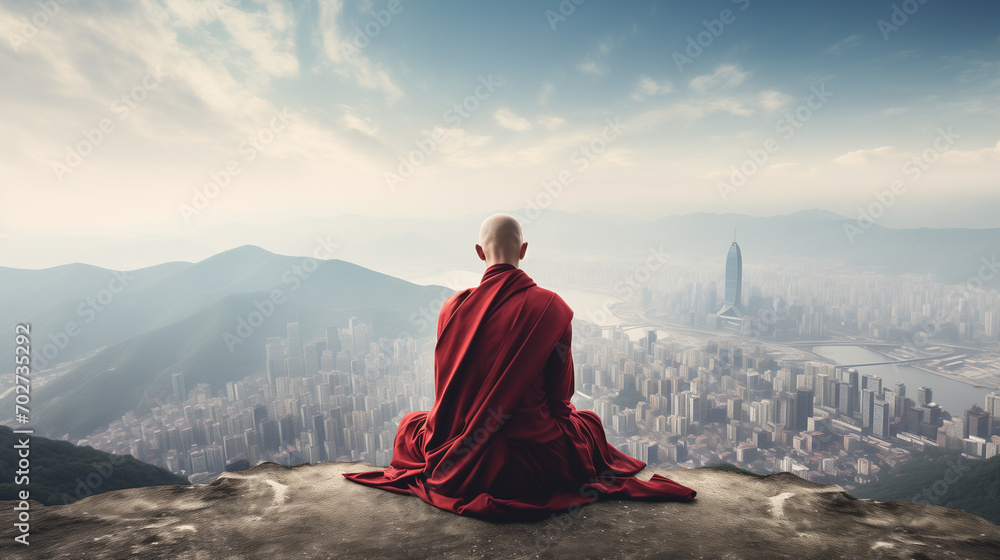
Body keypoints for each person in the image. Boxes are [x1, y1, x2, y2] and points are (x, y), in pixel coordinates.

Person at [343, 213, 695, 518]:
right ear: (524, 251)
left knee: (411, 424)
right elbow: (560, 401)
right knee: (588, 423)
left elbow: (445, 398)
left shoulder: (451, 308)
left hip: (457, 459)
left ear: (479, 253)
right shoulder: (550, 308)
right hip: (536, 462)